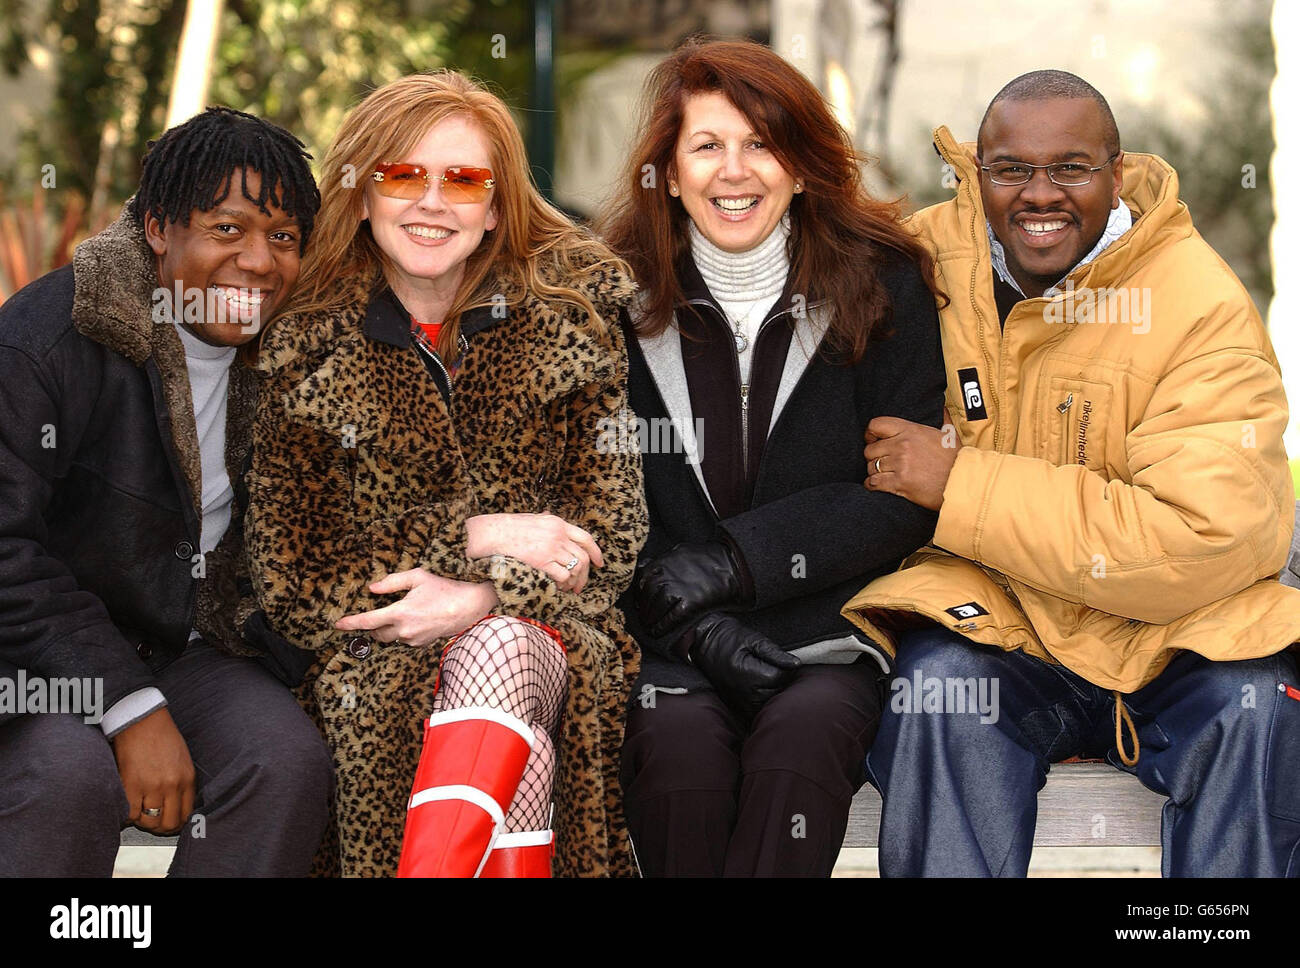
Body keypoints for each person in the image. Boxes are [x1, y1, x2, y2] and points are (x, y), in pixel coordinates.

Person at [844, 70, 1300, 877]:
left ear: (1116, 174)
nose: (1039, 194)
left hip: (1176, 639)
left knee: (1260, 708)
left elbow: (1202, 537)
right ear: (978, 171)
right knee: (941, 690)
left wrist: (960, 483)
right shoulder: (921, 268)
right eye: (1012, 169)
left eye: (1071, 168)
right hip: (998, 622)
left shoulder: (1199, 304)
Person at [245, 70, 647, 878]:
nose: (432, 202)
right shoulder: (305, 345)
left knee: (502, 648)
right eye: (404, 175)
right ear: (364, 194)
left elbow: (612, 536)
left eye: (463, 180)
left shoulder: (571, 323)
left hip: (553, 640)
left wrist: (485, 598)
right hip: (376, 664)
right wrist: (476, 535)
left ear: (494, 207)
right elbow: (296, 577)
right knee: (516, 743)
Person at [598, 38, 946, 876]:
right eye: (707, 146)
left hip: (830, 636)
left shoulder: (885, 284)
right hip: (670, 641)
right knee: (678, 759)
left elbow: (902, 492)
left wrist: (736, 563)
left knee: (800, 744)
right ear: (668, 173)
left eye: (761, 143)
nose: (734, 171)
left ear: (801, 165)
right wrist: (697, 628)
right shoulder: (610, 300)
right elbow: (592, 499)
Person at [0, 107, 332, 876]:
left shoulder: (295, 357)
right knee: (68, 780)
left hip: (185, 648)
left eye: (283, 237)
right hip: (34, 662)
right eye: (227, 229)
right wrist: (130, 705)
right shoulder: (50, 339)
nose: (259, 261)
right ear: (157, 229)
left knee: (282, 761)